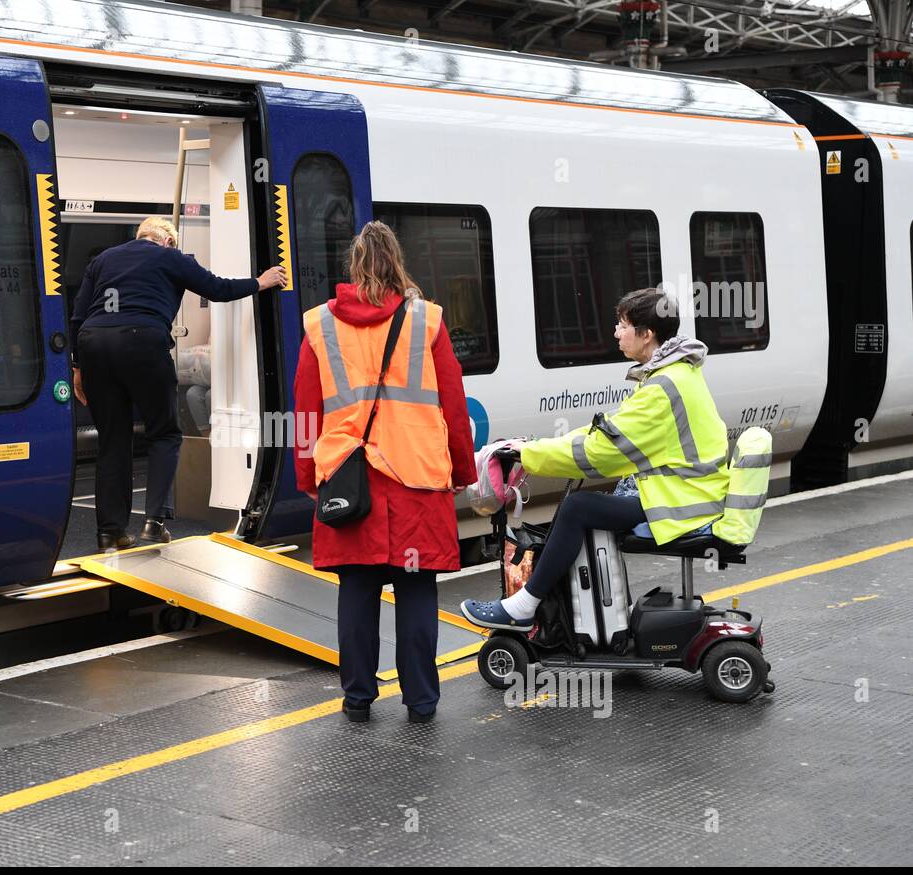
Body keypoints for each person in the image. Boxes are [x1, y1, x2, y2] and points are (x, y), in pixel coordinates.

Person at [461, 287, 730, 633]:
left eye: (623, 325)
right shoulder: (674, 374)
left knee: (577, 508)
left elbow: (601, 453)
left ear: (646, 335)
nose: (616, 333)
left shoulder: (663, 386)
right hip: (688, 492)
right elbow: (609, 431)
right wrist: (538, 445)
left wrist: (530, 456)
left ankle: (524, 607)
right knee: (586, 507)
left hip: (682, 502)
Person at [293, 221, 477, 724]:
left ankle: (357, 698)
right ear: (399, 263)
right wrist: (462, 468)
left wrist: (309, 477)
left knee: (357, 591)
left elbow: (306, 413)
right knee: (416, 590)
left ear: (353, 268)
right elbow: (453, 407)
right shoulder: (428, 323)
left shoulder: (319, 327)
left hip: (350, 481)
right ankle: (421, 701)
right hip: (416, 479)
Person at [70, 216, 286, 551]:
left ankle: (109, 533)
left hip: (93, 345)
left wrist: (78, 367)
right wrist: (260, 282)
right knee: (164, 433)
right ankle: (154, 522)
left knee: (113, 440)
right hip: (143, 341)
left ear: (139, 236)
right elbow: (219, 288)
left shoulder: (102, 260)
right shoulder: (173, 258)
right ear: (169, 241)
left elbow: (79, 315)